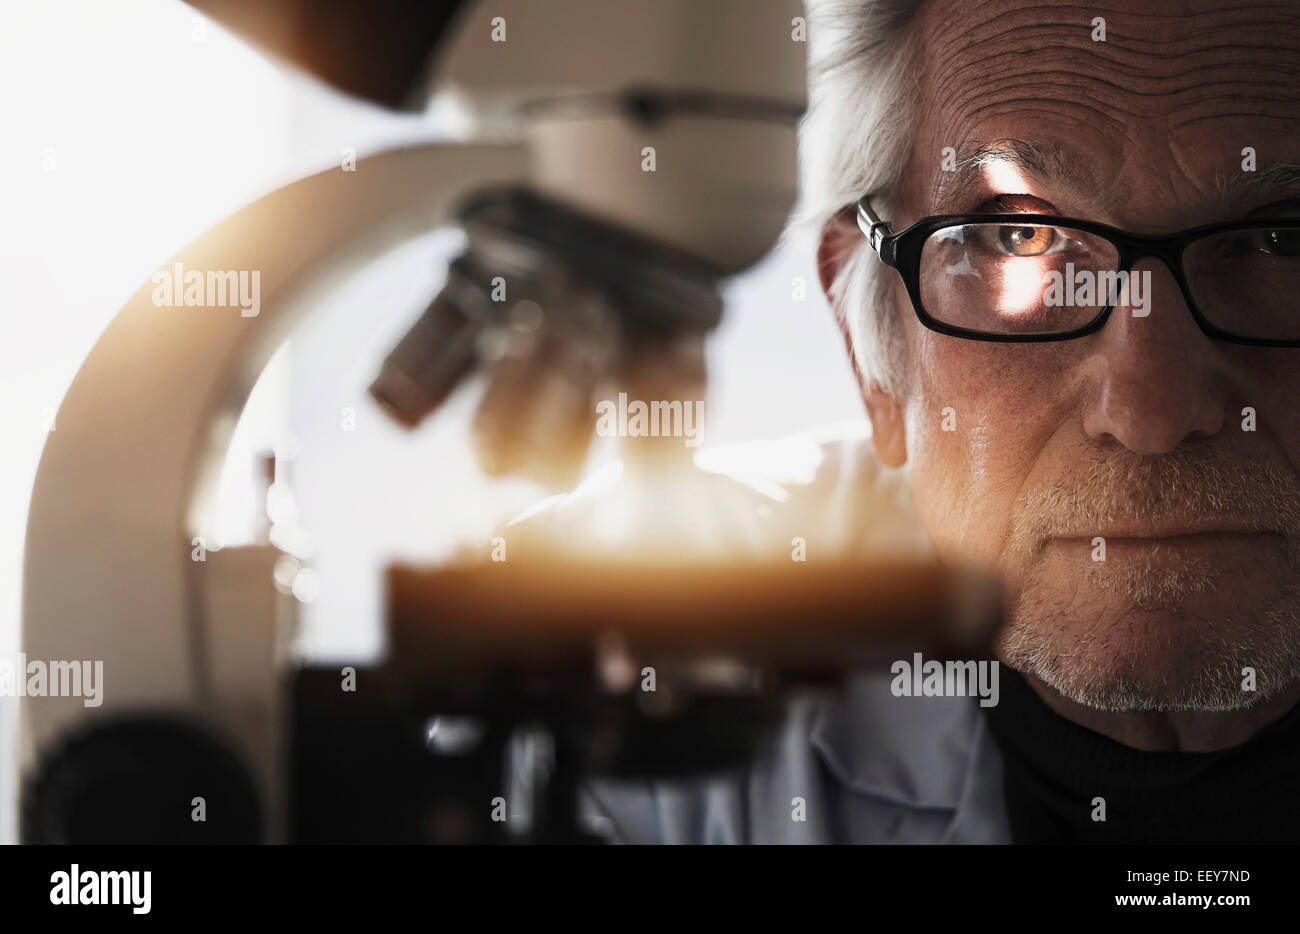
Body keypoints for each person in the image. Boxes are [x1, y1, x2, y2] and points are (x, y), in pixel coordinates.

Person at [583, 0, 1300, 843]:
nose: (1149, 411)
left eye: (1278, 241)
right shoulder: (618, 669)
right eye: (1019, 237)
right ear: (869, 351)